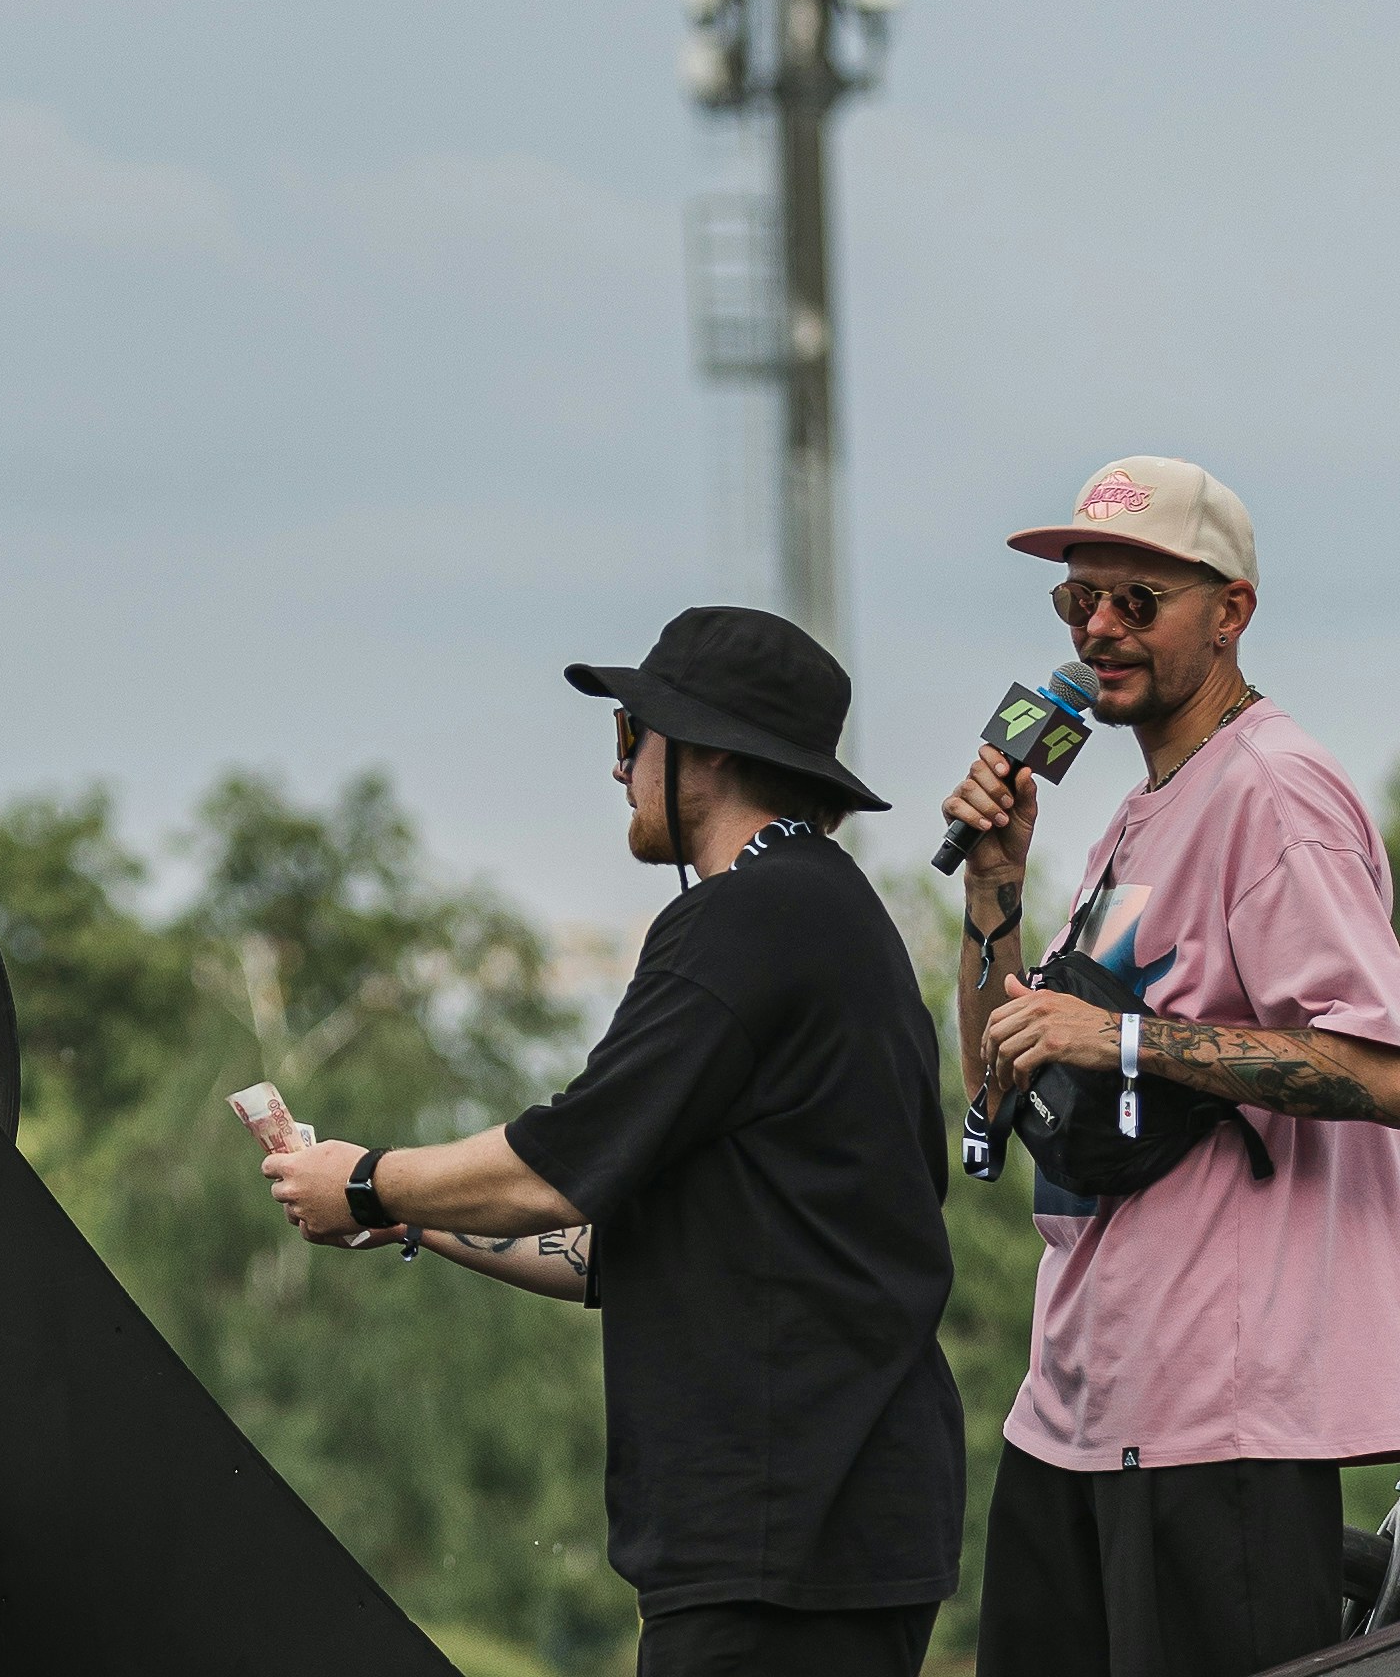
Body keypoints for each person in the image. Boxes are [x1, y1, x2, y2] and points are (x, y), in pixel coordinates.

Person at [267, 606, 965, 1677]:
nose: (619, 769)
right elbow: (617, 1235)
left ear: (710, 746)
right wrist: (413, 1214)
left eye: (631, 735)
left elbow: (555, 1164)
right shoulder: (834, 917)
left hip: (780, 1528)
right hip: (830, 1524)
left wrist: (363, 1181)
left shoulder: (743, 919)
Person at [942, 456, 1400, 1677]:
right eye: (1076, 601)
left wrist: (1130, 1038)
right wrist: (994, 889)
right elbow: (1007, 1082)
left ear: (1232, 610)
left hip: (1220, 1418)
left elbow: (1385, 1067)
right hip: (1077, 1408)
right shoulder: (1137, 813)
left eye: (1137, 601)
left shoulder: (1276, 790)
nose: (1098, 627)